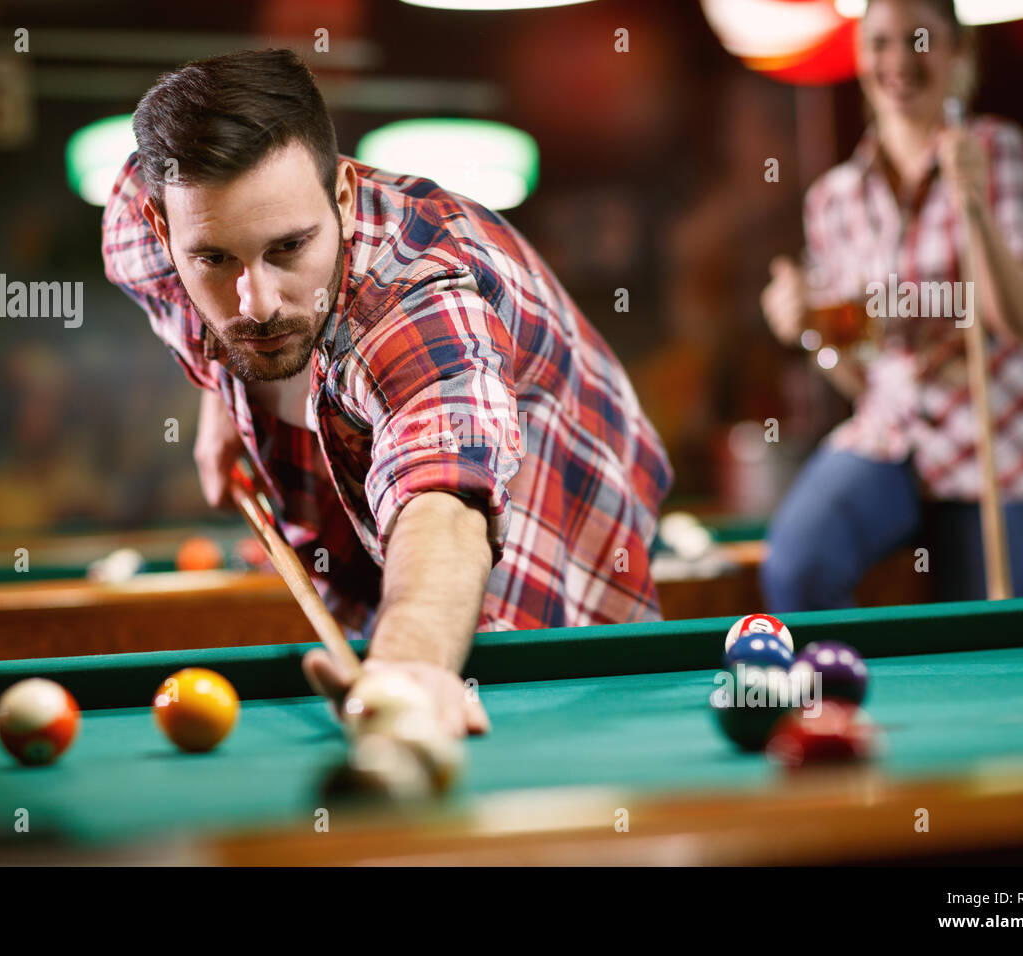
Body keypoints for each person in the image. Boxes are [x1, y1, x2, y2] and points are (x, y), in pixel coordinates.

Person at [102, 49, 672, 735]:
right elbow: (223, 310)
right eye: (216, 259)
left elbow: (443, 498)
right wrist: (224, 391)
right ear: (164, 228)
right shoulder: (139, 230)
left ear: (341, 198)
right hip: (363, 508)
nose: (255, 303)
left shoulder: (419, 300)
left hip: (553, 506)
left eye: (288, 249)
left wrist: (409, 665)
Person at [758, 0, 1023, 612]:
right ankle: (842, 703)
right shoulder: (833, 199)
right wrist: (806, 329)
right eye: (880, 42)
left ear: (958, 55)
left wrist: (975, 205)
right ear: (860, 59)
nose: (899, 59)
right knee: (796, 569)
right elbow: (859, 373)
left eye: (920, 39)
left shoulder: (996, 150)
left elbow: (1021, 318)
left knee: (991, 649)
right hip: (893, 437)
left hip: (1006, 445)